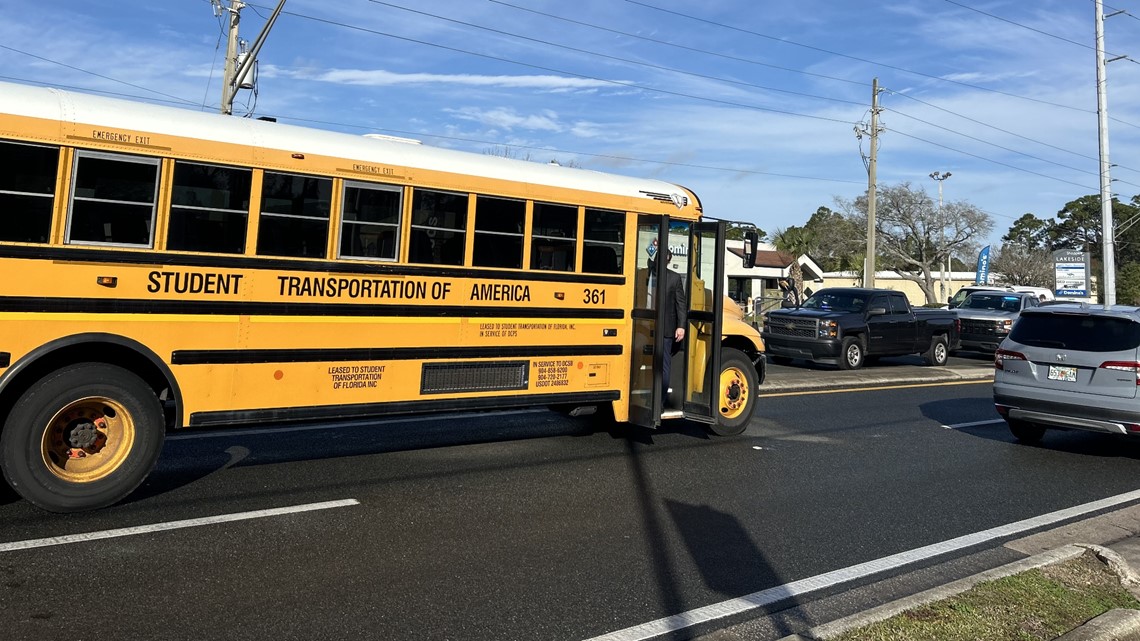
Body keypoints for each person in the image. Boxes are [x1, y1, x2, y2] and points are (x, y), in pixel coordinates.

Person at [659, 248, 686, 406]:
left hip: (667, 328)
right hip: (644, 327)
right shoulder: (645, 274)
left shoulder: (674, 278)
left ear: (668, 260)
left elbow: (680, 303)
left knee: (664, 365)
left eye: (665, 259)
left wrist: (681, 326)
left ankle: (660, 401)